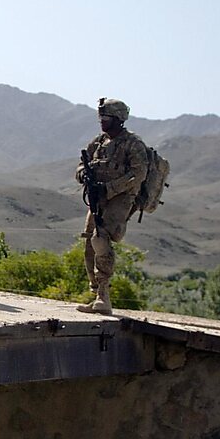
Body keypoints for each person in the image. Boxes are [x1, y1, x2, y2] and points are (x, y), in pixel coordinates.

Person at [74, 98, 148, 315]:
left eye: (106, 118)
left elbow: (138, 174)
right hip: (98, 197)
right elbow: (81, 164)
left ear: (118, 119)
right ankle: (96, 292)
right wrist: (82, 174)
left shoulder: (133, 144)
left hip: (120, 198)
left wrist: (111, 188)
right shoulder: (98, 142)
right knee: (89, 242)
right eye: (101, 118)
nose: (102, 122)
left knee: (101, 239)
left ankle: (104, 297)